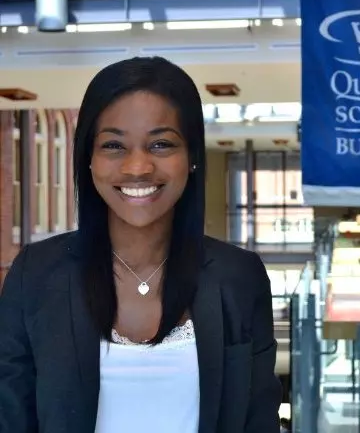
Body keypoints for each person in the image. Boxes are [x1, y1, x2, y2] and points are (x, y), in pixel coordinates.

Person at [0, 57, 282, 433]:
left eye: (161, 144)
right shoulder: (36, 273)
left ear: (193, 157)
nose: (137, 168)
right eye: (114, 145)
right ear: (88, 159)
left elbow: (257, 420)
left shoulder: (239, 277)